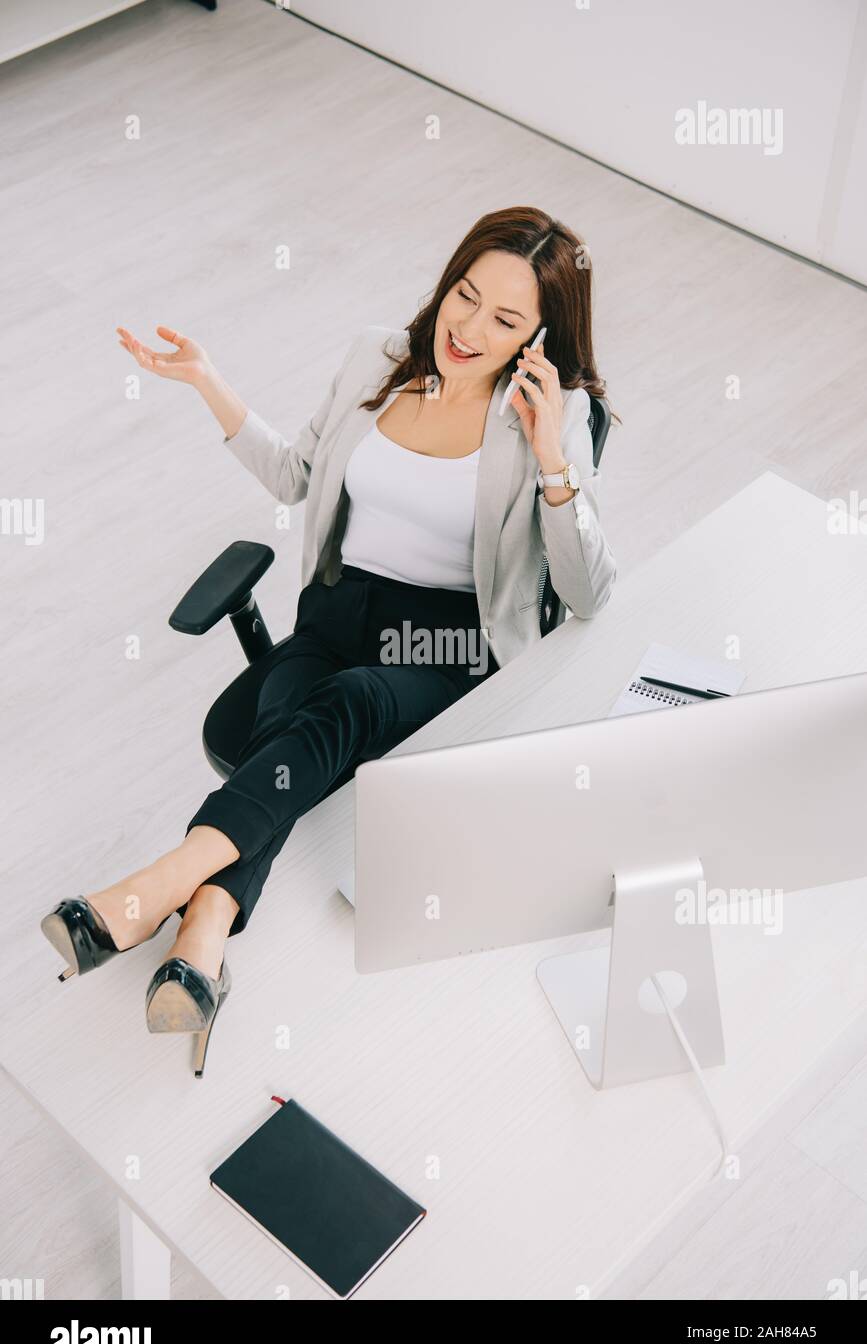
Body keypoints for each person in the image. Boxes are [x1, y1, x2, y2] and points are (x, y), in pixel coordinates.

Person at [39, 205, 617, 1076]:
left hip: (448, 636)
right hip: (338, 609)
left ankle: (154, 890)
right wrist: (209, 382)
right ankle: (200, 938)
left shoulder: (547, 413)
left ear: (540, 335)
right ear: (447, 279)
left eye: (505, 320)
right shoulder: (378, 358)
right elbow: (298, 474)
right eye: (465, 296)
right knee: (289, 715)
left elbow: (587, 595)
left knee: (340, 705)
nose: (469, 328)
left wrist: (549, 458)